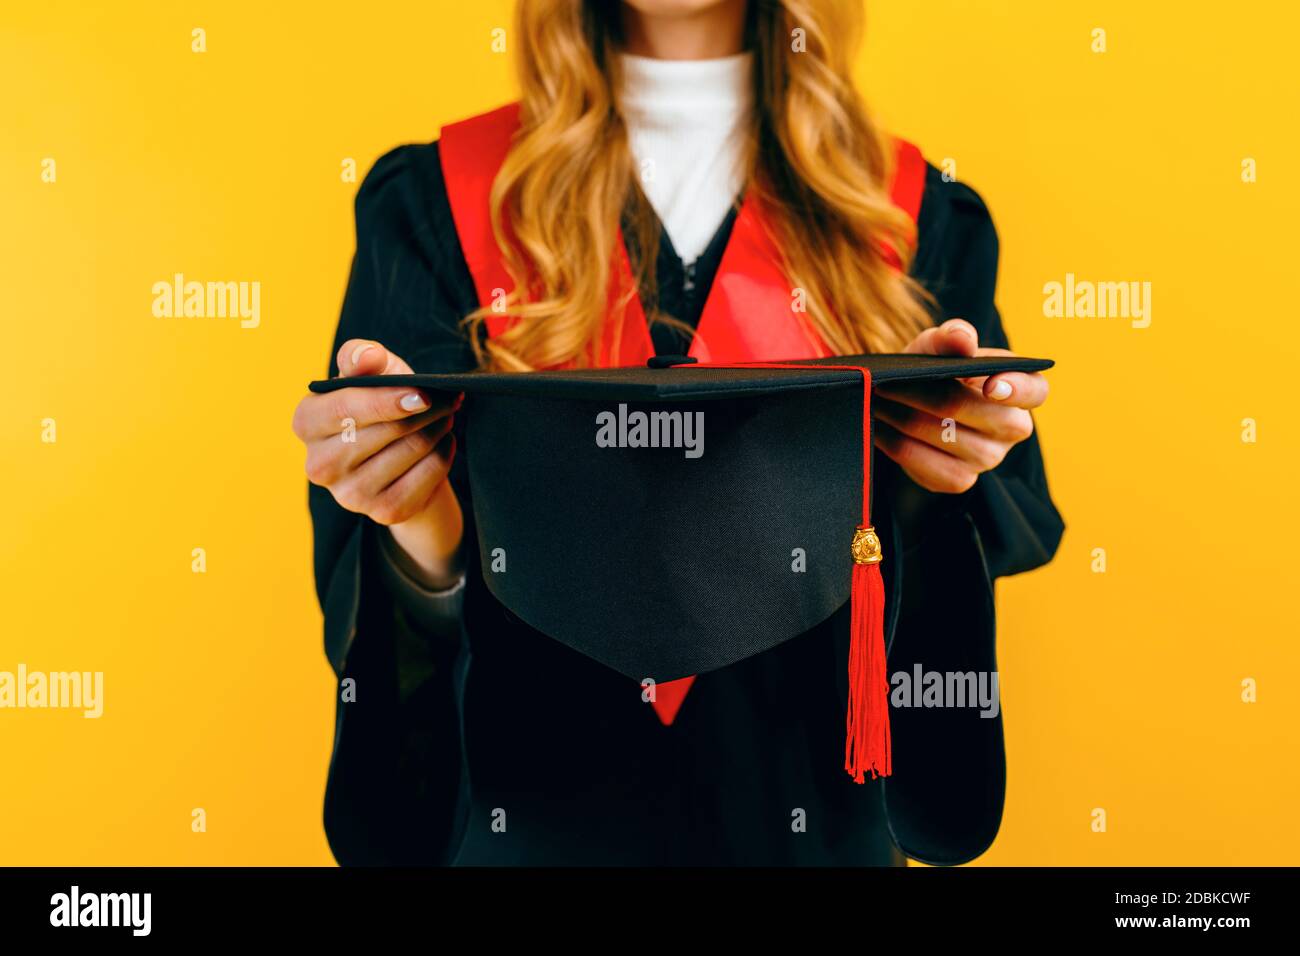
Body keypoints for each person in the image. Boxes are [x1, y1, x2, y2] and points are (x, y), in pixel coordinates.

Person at [291, 0, 1063, 865]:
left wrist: (931, 483)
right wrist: (411, 522)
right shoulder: (438, 203)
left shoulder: (913, 216)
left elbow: (932, 670)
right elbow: (400, 658)